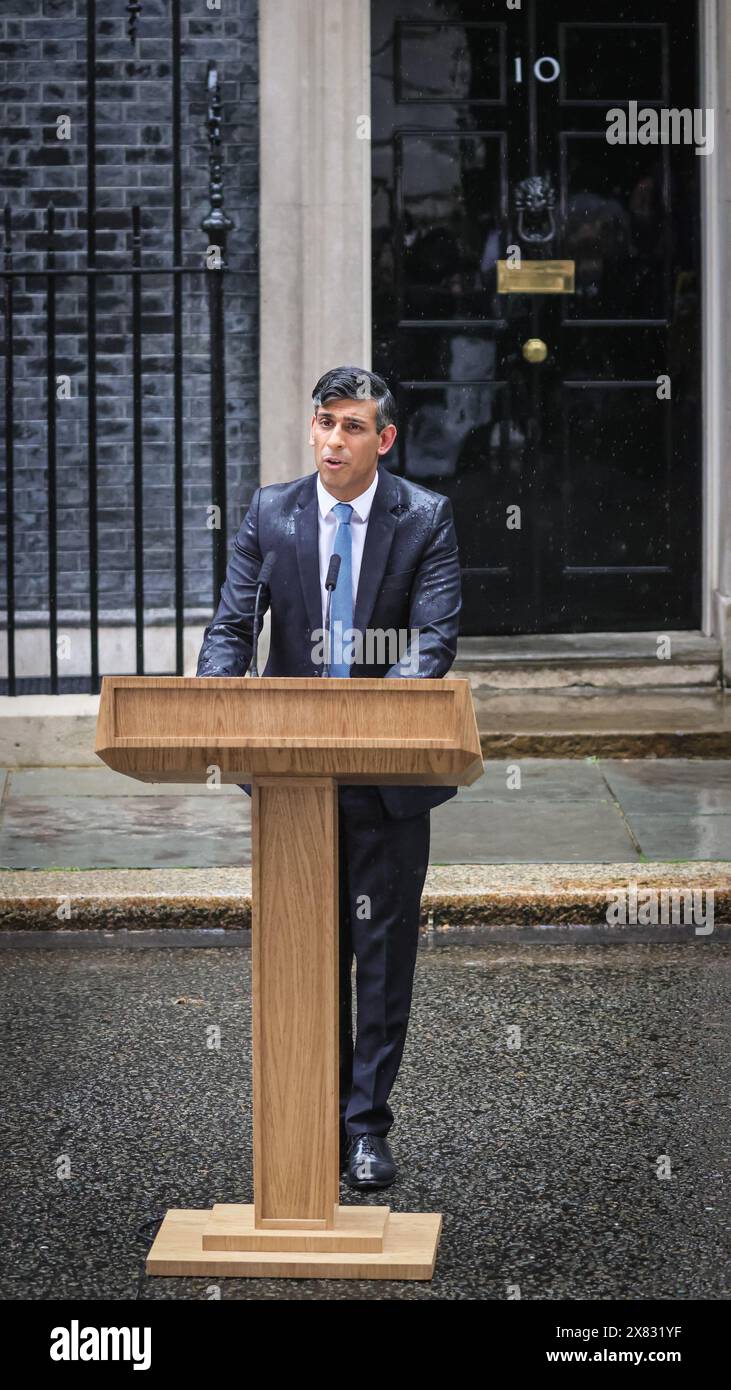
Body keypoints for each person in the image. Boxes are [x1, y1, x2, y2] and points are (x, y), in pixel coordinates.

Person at [196, 365, 462, 1189]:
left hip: (382, 779)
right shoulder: (271, 512)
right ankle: (306, 1116)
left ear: (382, 439)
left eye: (353, 427)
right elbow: (233, 623)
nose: (334, 441)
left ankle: (364, 1130)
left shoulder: (423, 519)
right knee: (305, 955)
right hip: (289, 778)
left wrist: (371, 720)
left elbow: (431, 643)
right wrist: (211, 705)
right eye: (324, 423)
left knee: (380, 958)